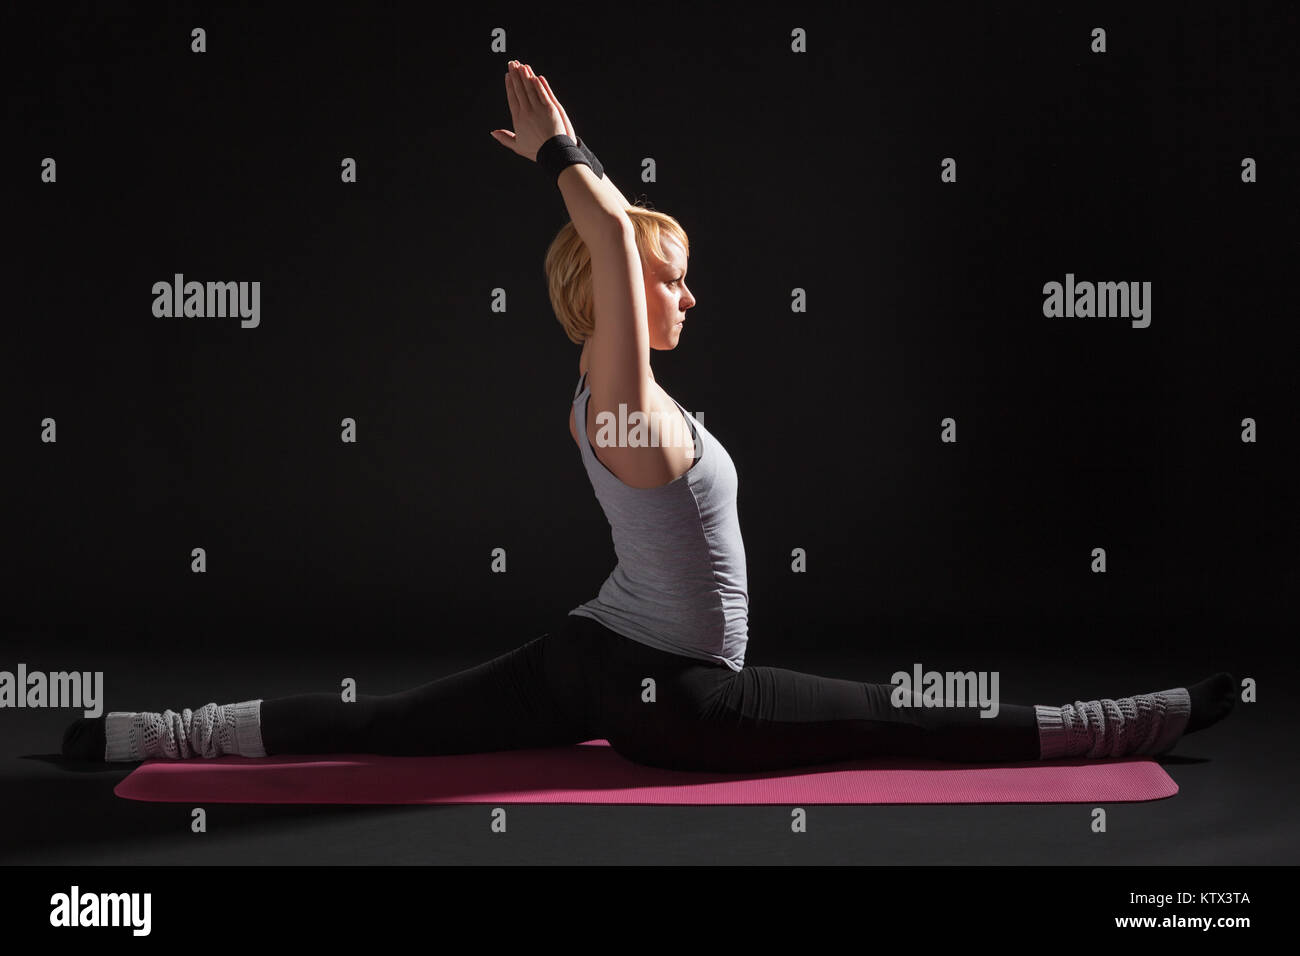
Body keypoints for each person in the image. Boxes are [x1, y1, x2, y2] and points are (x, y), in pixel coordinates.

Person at [62, 61, 1235, 772]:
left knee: (399, 723)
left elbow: (616, 235)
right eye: (672, 280)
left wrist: (578, 170)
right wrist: (558, 150)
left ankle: (138, 732)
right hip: (680, 701)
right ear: (614, 293)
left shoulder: (607, 394)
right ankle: (1123, 722)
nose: (685, 293)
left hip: (594, 655)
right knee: (901, 712)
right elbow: (615, 238)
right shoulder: (621, 401)